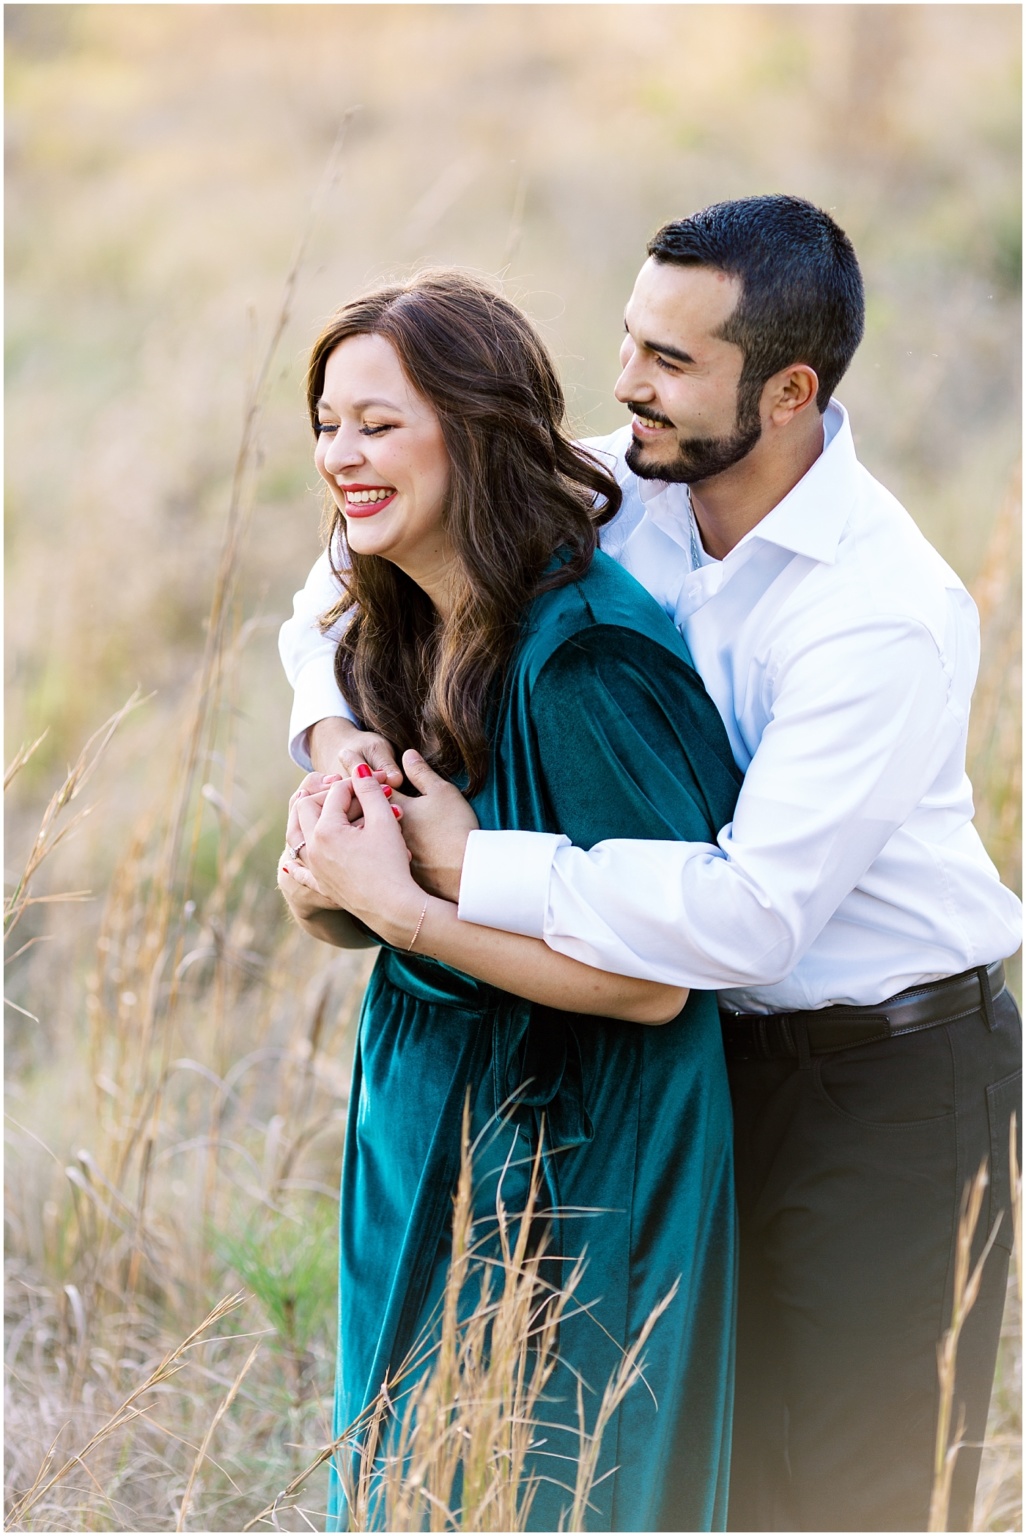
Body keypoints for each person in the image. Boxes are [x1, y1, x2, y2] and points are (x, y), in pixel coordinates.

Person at [279, 197, 1022, 1533]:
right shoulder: (624, 483)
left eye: (671, 363)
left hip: (883, 1079)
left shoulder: (880, 611)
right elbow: (338, 576)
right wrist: (341, 745)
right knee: (698, 1476)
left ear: (788, 393)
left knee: (856, 1493)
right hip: (690, 1072)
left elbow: (747, 921)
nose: (625, 386)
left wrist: (460, 868)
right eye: (630, 341)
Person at [277, 270, 743, 1531]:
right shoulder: (401, 616)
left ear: (473, 428)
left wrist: (406, 907)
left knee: (545, 1491)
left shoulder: (581, 657)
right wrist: (329, 866)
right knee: (404, 1483)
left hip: (574, 1146)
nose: (343, 456)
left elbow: (655, 984)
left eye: (378, 423)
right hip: (425, 1114)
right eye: (328, 424)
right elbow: (344, 904)